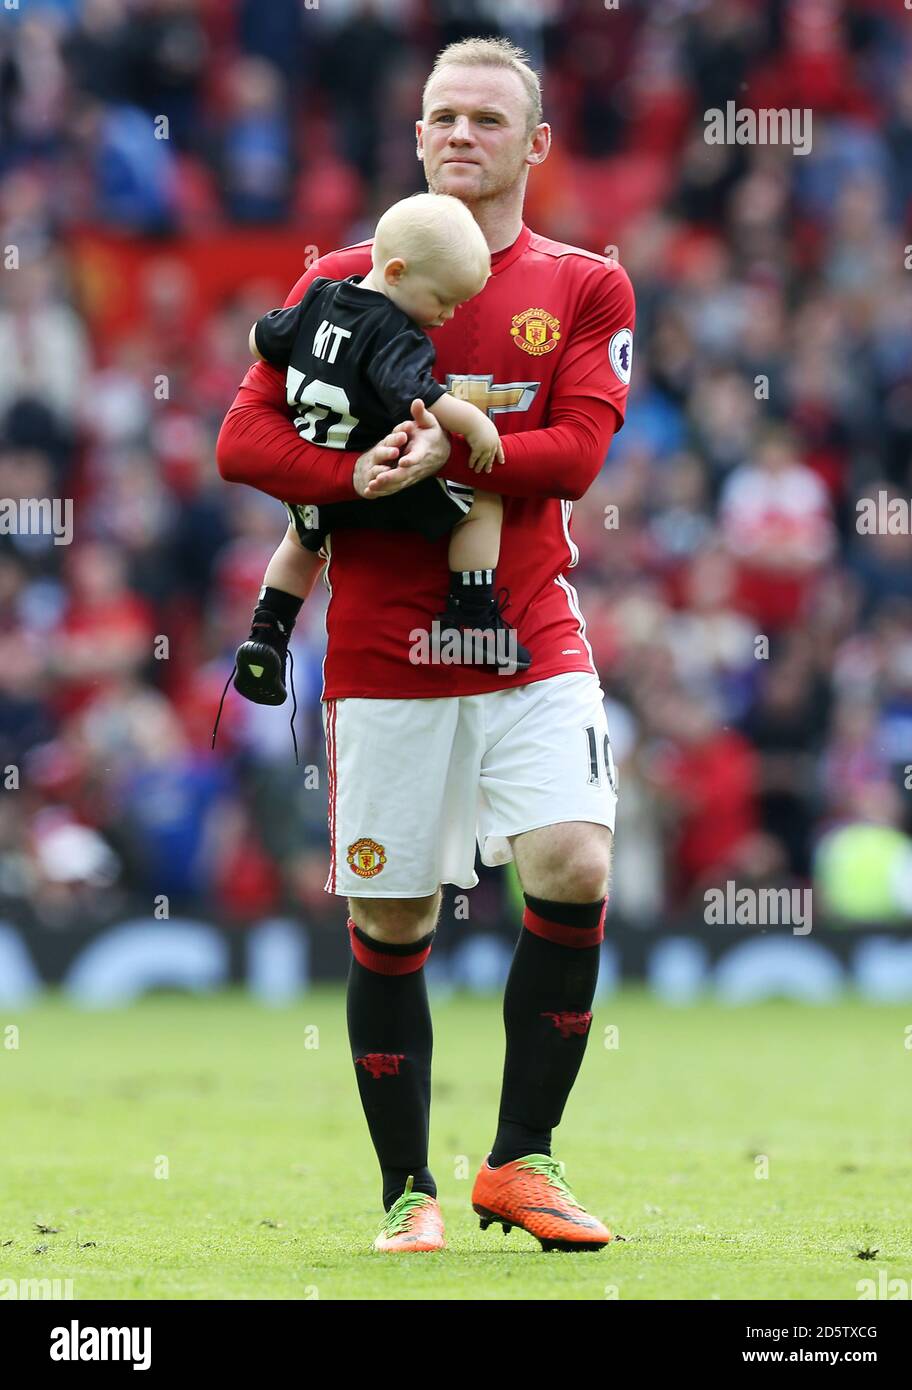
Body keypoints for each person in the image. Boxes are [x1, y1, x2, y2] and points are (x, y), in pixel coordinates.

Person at [216, 36, 635, 1254]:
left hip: (526, 630)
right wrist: (362, 472)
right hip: (387, 653)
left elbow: (579, 456)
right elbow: (242, 444)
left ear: (536, 145)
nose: (462, 134)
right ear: (413, 137)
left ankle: (523, 1162)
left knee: (573, 863)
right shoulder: (343, 281)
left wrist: (454, 448)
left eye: (489, 119)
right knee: (395, 923)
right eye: (442, 115)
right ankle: (410, 1191)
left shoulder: (586, 286)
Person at [233, 192, 529, 716]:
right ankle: (472, 616)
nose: (448, 313)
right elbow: (423, 399)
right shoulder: (396, 333)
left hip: (315, 474)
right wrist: (478, 425)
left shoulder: (320, 296)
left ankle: (267, 635)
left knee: (300, 544)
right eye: (442, 299)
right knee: (484, 502)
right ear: (395, 272)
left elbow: (261, 340)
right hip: (379, 476)